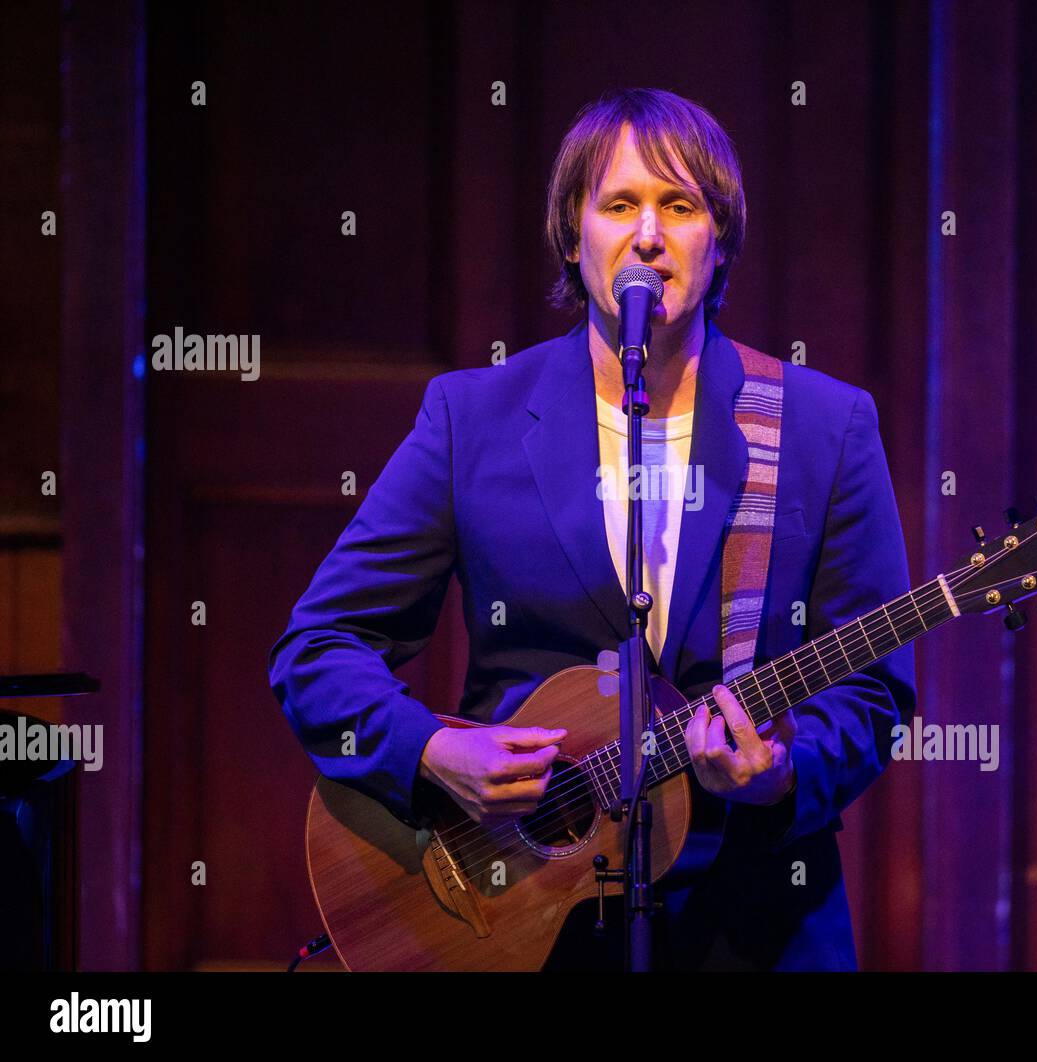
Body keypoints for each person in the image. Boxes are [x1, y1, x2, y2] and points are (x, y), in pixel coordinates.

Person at [268, 87, 915, 971]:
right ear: (574, 238)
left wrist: (782, 768)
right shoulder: (472, 418)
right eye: (619, 204)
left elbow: (875, 692)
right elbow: (319, 646)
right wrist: (431, 748)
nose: (648, 233)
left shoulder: (820, 427)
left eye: (679, 206)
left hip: (753, 923)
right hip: (516, 913)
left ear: (718, 241)